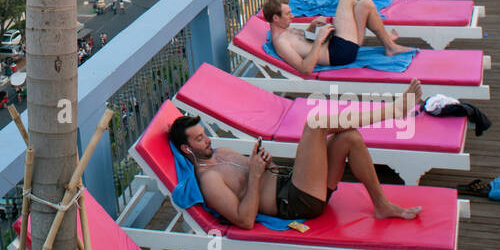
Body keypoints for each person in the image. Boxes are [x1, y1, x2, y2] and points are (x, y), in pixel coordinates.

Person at [168, 91, 424, 225]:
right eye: (199, 139)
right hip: (296, 201)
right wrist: (256, 175)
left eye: (205, 134)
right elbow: (244, 220)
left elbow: (263, 174)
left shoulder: (222, 153)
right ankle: (393, 110)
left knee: (350, 137)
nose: (208, 140)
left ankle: (381, 205)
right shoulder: (210, 180)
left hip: (295, 184)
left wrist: (265, 164)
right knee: (315, 124)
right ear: (186, 149)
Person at [261, 0, 412, 76]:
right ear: (275, 18)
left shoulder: (286, 30)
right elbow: (305, 69)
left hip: (339, 44)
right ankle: (388, 43)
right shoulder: (281, 42)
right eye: (288, 14)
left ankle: (387, 42)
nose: (292, 16)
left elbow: (304, 42)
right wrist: (319, 40)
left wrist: (313, 26)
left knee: (365, 5)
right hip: (339, 52)